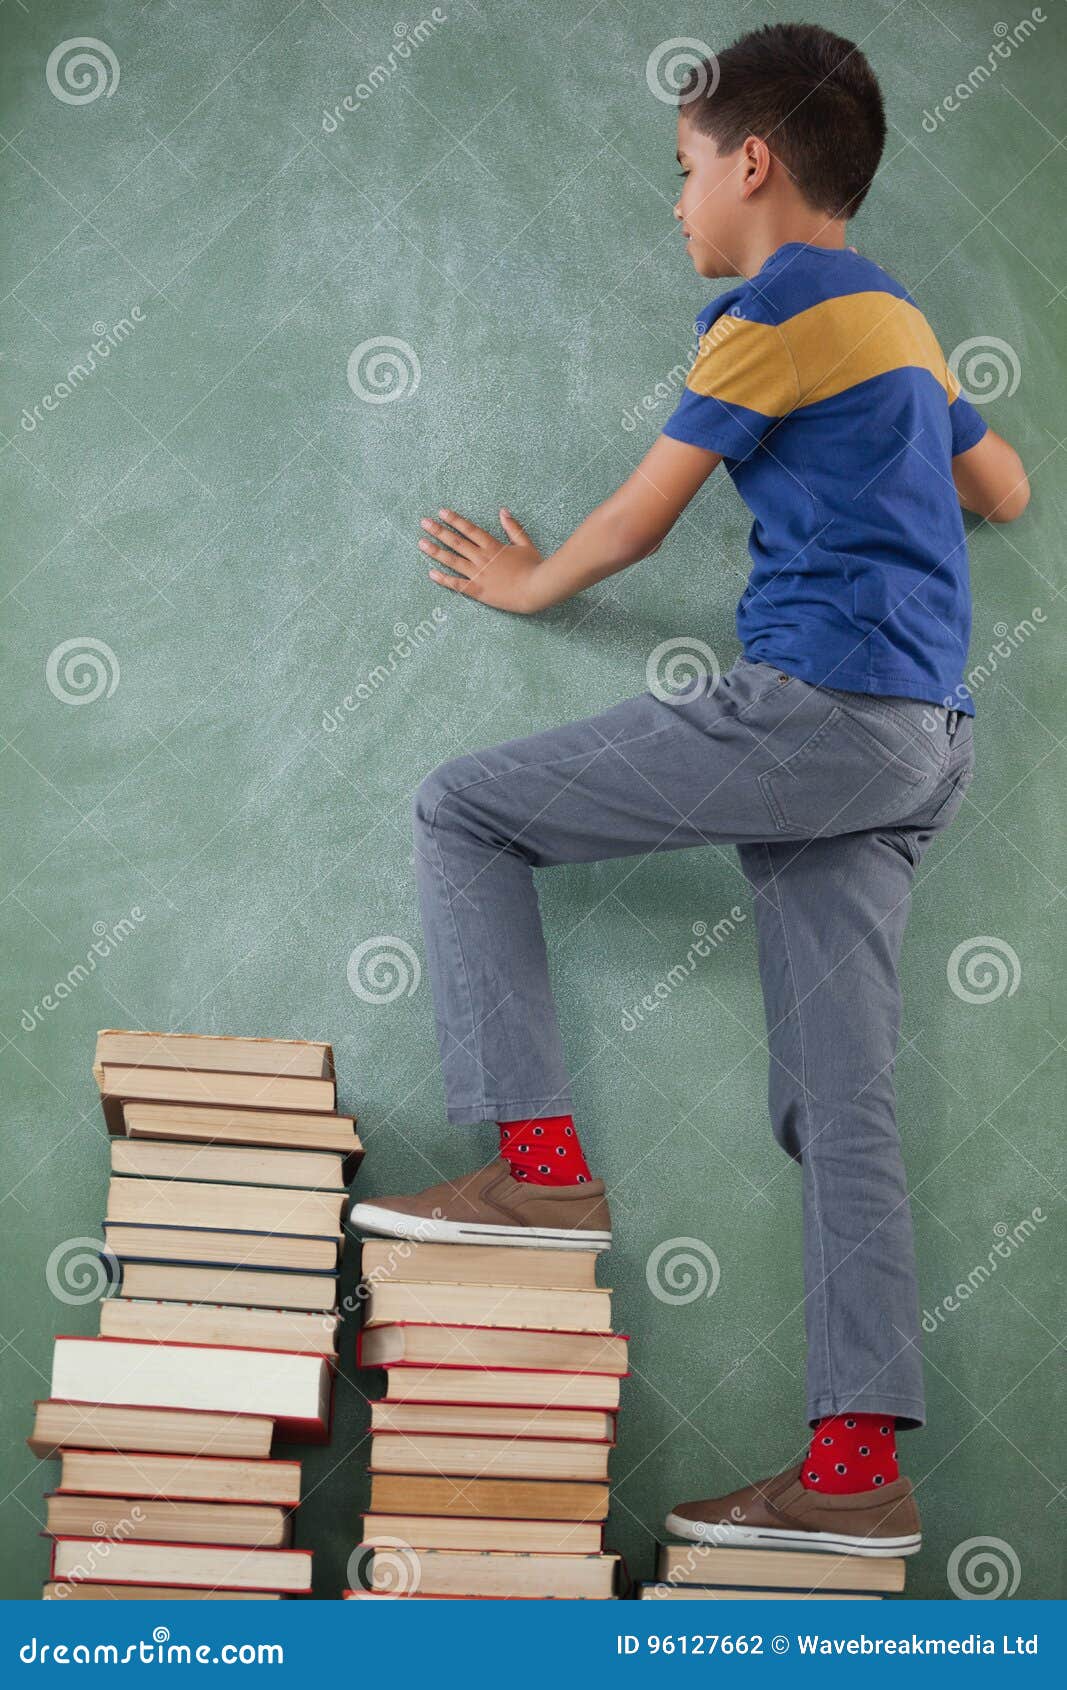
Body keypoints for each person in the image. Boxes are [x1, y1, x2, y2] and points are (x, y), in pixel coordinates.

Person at [350, 22, 1029, 1557]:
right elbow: (1009, 490)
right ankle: (853, 1464)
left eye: (679, 174)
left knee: (464, 809)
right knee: (839, 1104)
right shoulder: (904, 325)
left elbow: (641, 522)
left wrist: (530, 586)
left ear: (752, 163)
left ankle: (540, 1172)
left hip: (823, 711)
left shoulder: (776, 307)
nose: (675, 209)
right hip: (925, 741)